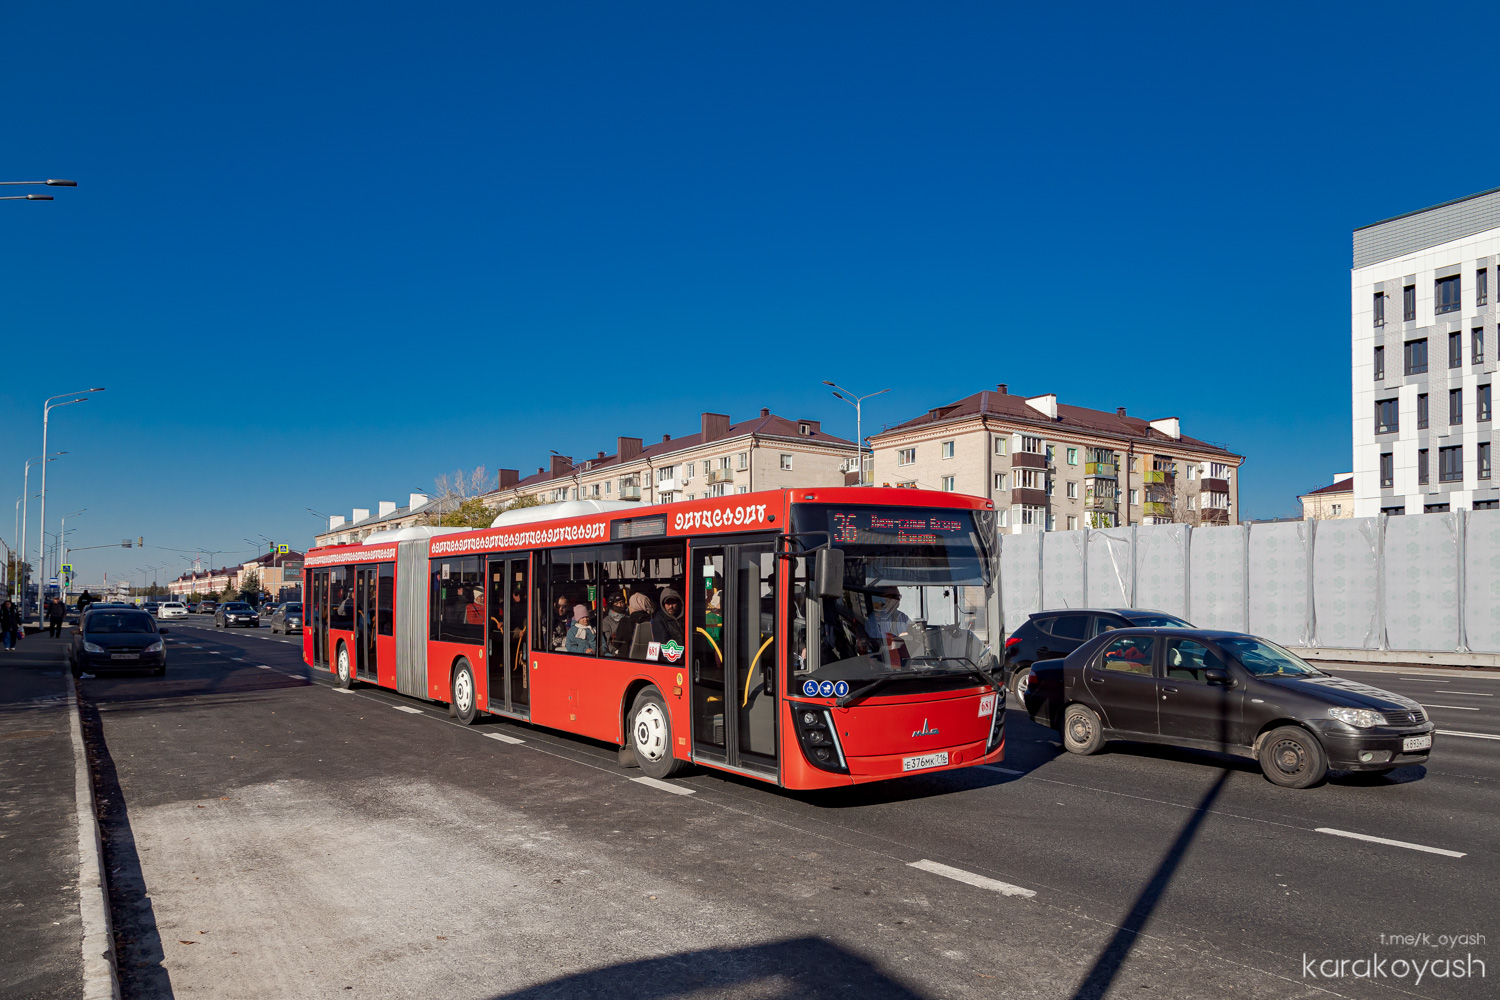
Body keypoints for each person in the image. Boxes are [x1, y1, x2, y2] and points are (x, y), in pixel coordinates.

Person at [615, 593, 655, 660]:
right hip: (647, 658)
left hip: (626, 659)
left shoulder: (625, 621)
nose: (629, 607)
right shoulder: (652, 620)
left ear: (634, 606)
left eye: (630, 605)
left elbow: (617, 643)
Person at [600, 588, 628, 656]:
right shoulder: (606, 621)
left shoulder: (628, 617)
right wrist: (615, 652)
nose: (619, 605)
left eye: (621, 602)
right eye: (617, 603)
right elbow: (607, 641)